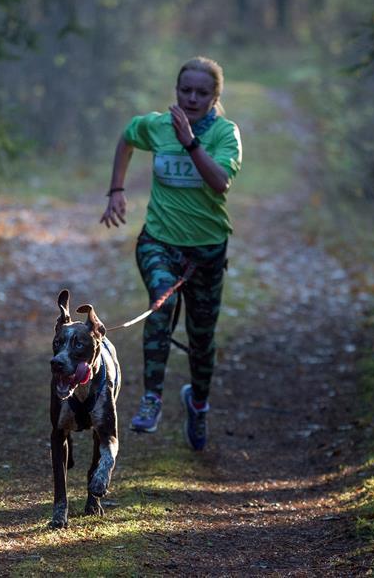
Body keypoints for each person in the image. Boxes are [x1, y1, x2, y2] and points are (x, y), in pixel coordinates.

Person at [100, 56, 242, 451]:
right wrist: (116, 190)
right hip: (159, 241)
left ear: (215, 97)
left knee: (202, 337)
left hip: (207, 249)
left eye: (201, 92)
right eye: (185, 90)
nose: (192, 98)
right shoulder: (158, 125)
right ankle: (152, 398)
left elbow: (220, 182)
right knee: (161, 304)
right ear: (176, 90)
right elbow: (127, 137)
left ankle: (198, 402)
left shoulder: (226, 134)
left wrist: (190, 142)